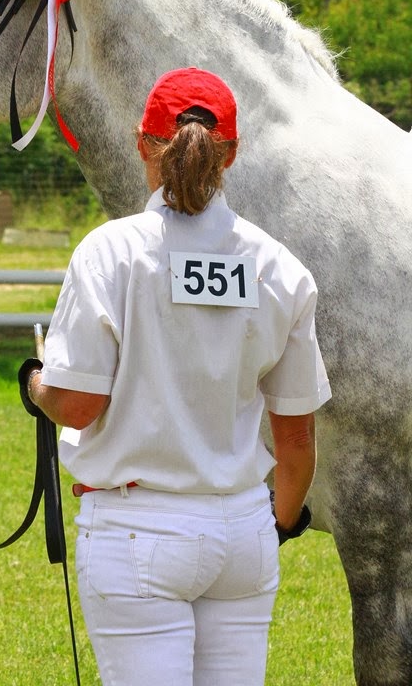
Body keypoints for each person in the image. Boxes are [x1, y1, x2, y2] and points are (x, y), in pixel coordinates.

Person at [20, 67, 331, 686]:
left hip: (138, 531)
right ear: (232, 154)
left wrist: (36, 384)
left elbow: (77, 404)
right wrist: (269, 524)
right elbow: (295, 444)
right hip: (242, 530)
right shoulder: (280, 268)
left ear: (144, 144)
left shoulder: (110, 252)